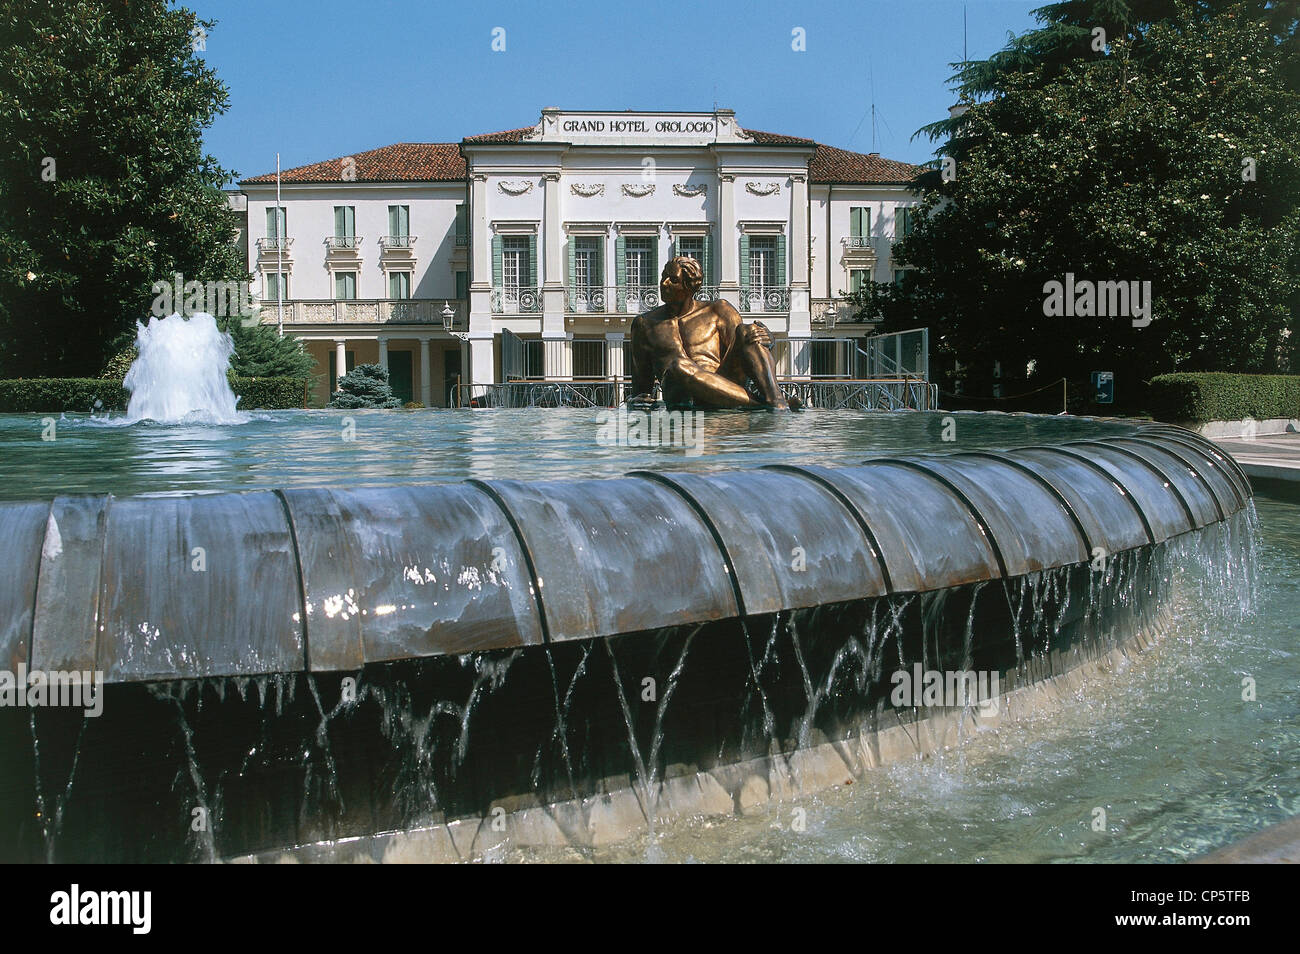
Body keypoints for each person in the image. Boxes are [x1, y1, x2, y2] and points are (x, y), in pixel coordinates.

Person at [627, 256, 798, 409]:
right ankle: (761, 405)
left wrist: (768, 339)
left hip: (726, 386)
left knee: (749, 330)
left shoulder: (718, 310)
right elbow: (641, 389)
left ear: (690, 286)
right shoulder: (644, 324)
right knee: (679, 365)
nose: (664, 283)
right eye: (664, 277)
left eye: (673, 280)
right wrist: (635, 400)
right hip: (681, 393)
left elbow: (745, 352)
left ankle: (776, 400)